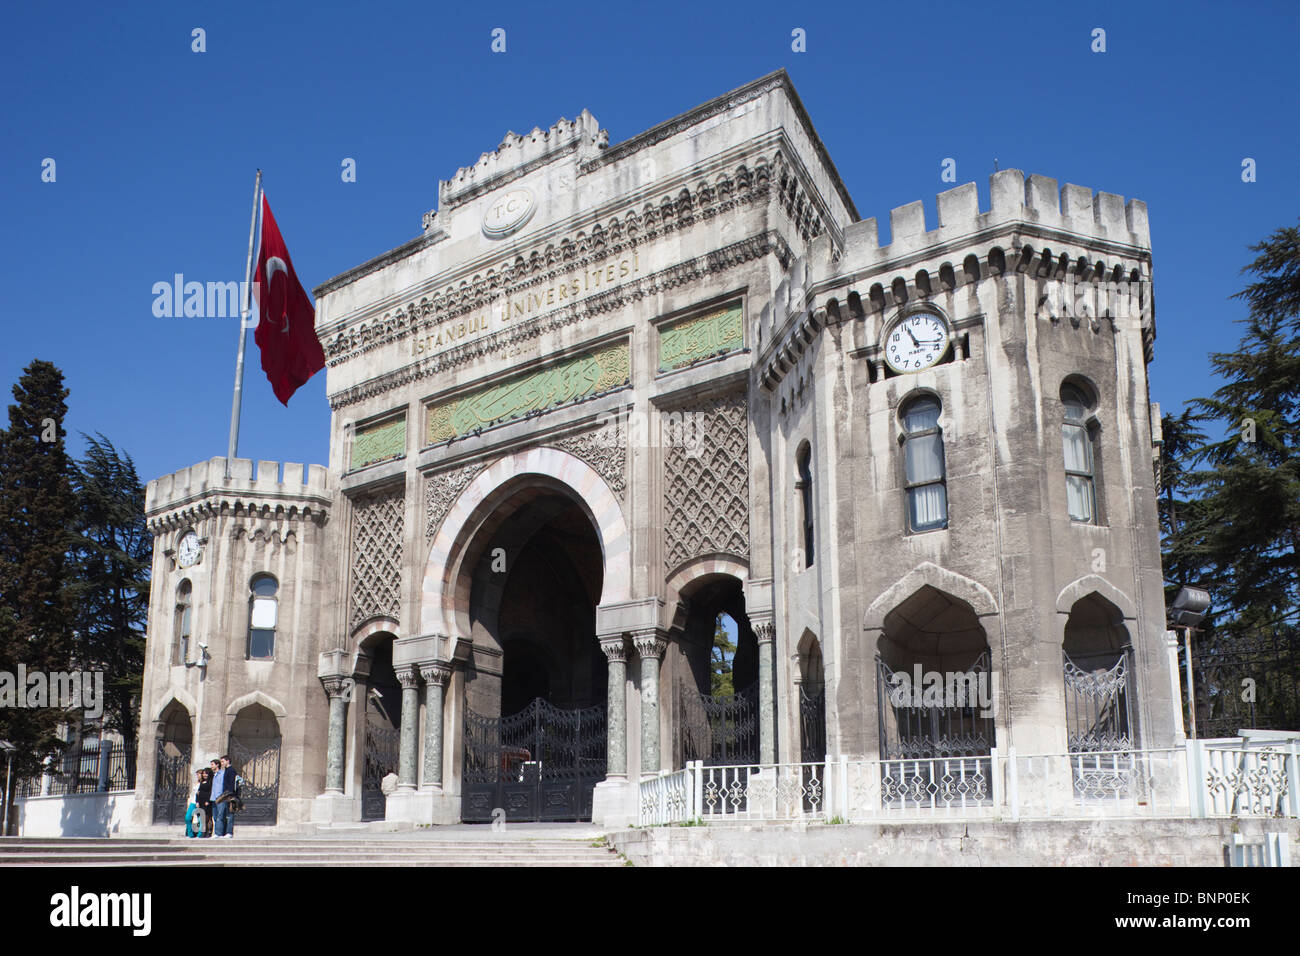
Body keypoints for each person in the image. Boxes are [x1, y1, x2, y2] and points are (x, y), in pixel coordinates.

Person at [211, 753, 241, 838]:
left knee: (230, 814)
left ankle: (229, 832)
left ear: (227, 761)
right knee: (225, 814)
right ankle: (223, 832)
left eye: (223, 761)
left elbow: (231, 785)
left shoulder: (231, 770)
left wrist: (229, 796)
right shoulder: (227, 770)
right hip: (226, 795)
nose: (222, 763)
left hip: (229, 796)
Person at [185, 770, 204, 838]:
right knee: (187, 818)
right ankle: (190, 834)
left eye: (198, 774)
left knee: (200, 819)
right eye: (197, 774)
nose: (197, 776)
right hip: (193, 801)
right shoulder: (196, 783)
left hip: (200, 802)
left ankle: (200, 834)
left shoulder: (204, 783)